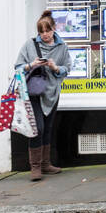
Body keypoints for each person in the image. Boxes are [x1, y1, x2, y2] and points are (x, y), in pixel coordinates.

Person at [13, 10, 71, 181]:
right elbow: (17, 67)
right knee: (37, 128)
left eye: (47, 31)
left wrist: (55, 68)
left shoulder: (62, 47)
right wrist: (31, 65)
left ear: (54, 29)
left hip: (52, 92)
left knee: (48, 128)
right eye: (41, 32)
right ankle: (35, 167)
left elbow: (67, 68)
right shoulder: (29, 45)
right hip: (34, 93)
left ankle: (46, 164)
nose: (45, 35)